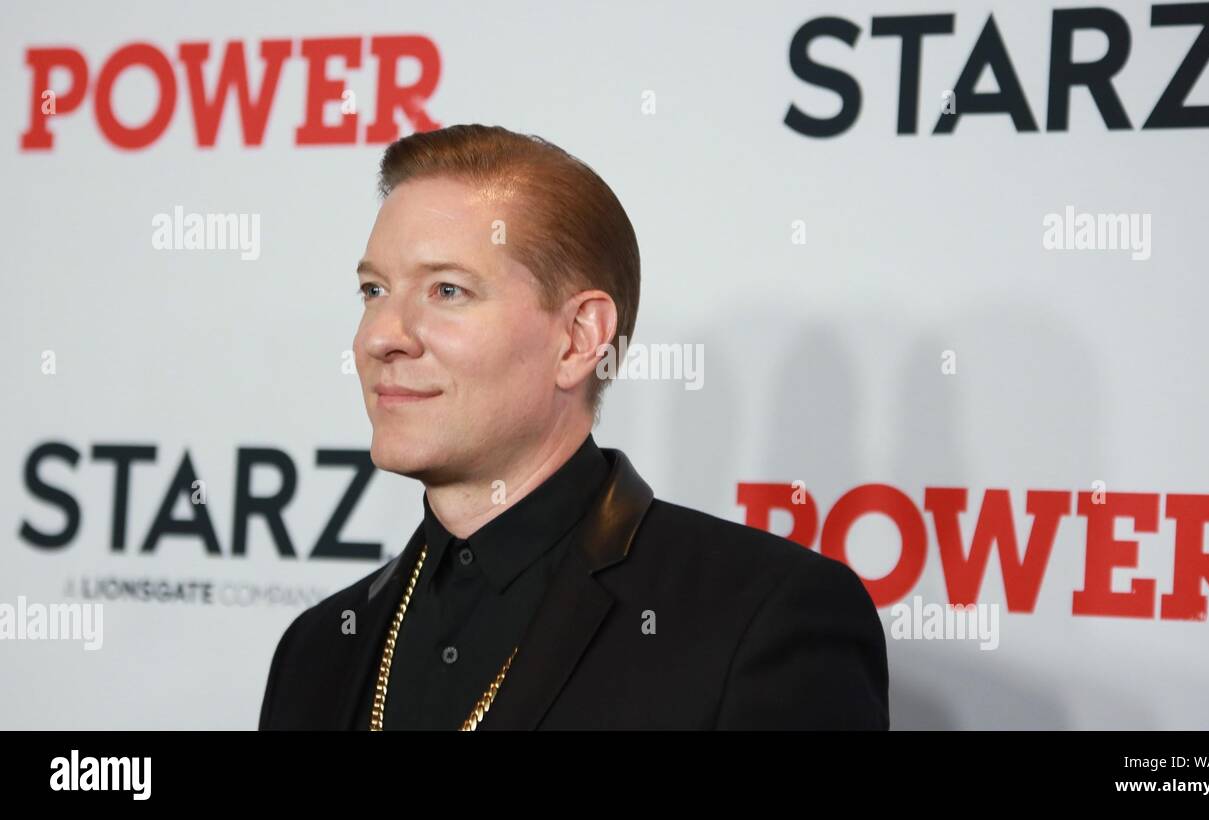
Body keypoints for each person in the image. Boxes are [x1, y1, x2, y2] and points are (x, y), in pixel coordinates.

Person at [257, 124, 888, 730]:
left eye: (446, 290)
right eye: (373, 290)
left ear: (579, 339)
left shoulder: (760, 621)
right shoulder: (319, 647)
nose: (381, 337)